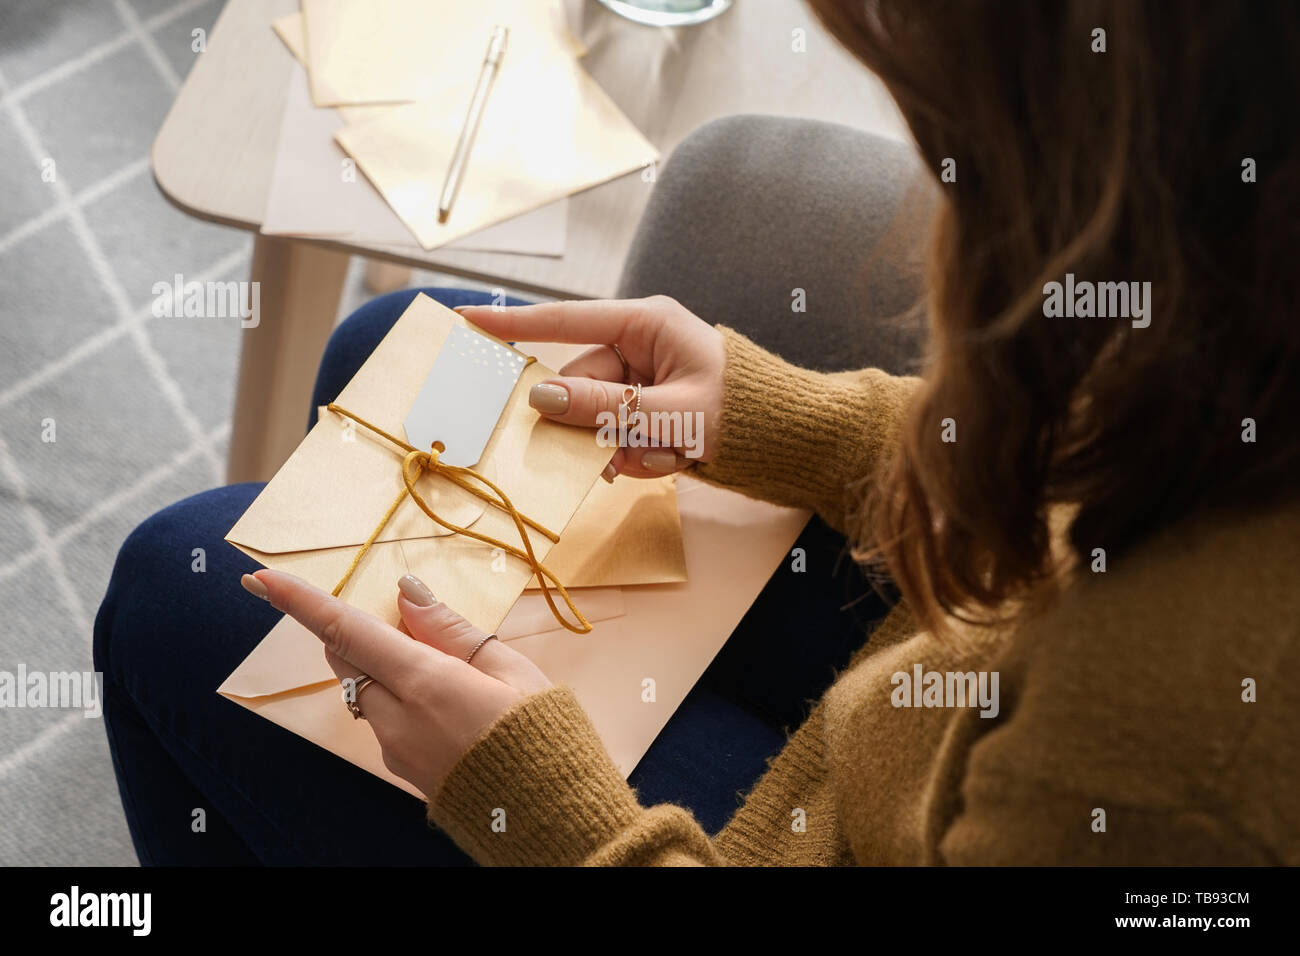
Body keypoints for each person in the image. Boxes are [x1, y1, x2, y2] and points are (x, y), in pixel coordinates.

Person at [95, 0, 1299, 865]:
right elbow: (1071, 496)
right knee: (411, 344)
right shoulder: (1230, 327)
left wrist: (542, 808)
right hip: (934, 668)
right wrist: (791, 421)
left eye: (962, 143)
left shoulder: (1168, 776)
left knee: (169, 586)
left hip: (789, 827)